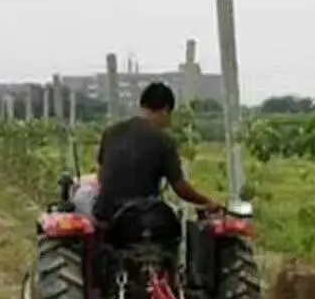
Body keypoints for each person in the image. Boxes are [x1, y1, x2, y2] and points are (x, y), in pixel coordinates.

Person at [92, 81, 221, 224]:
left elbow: (101, 176)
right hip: (142, 220)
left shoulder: (111, 132)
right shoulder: (163, 140)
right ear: (166, 110)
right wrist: (207, 202)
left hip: (106, 216)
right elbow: (180, 188)